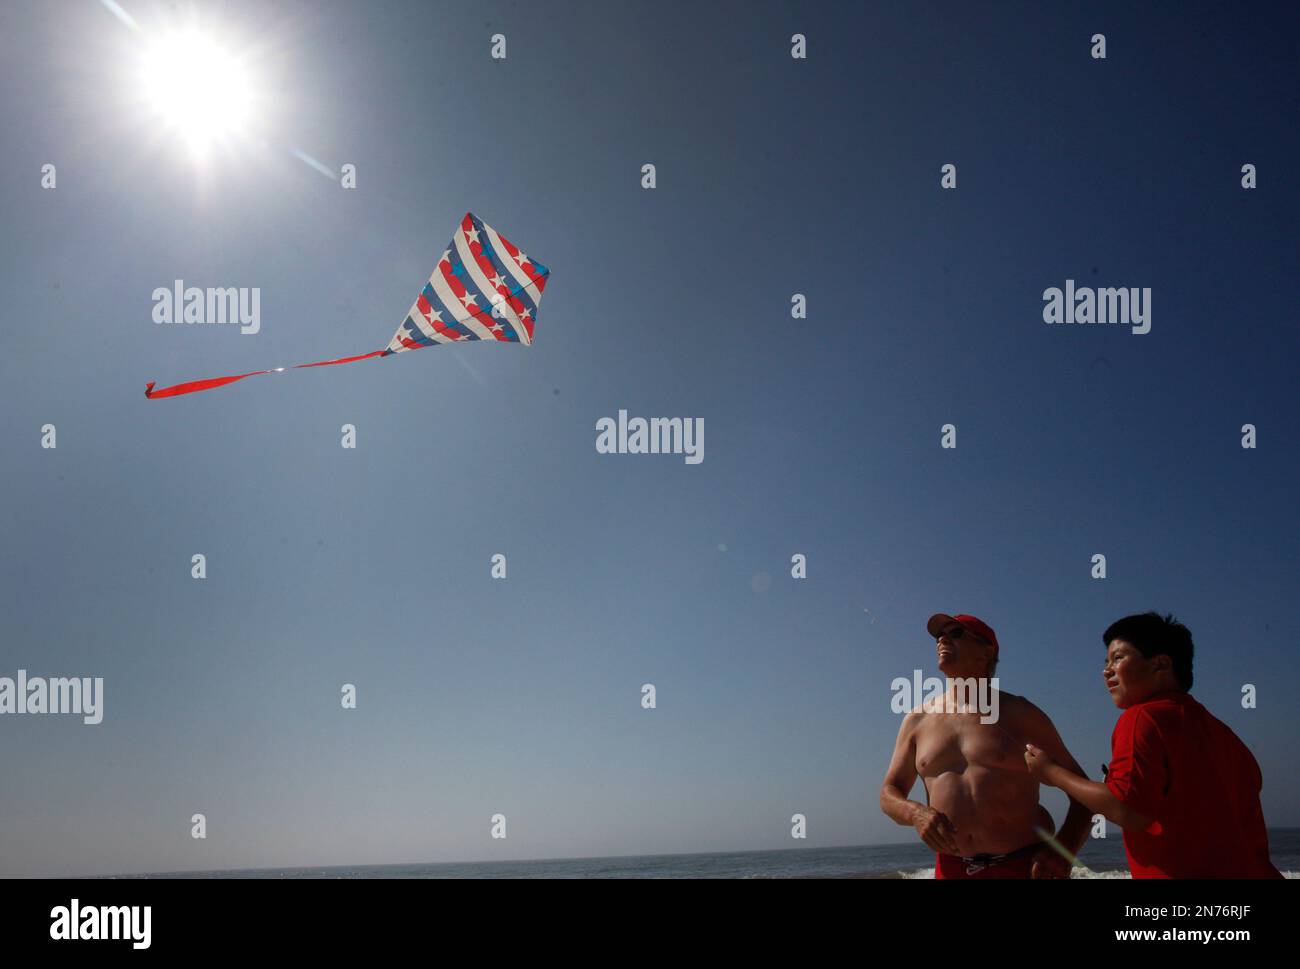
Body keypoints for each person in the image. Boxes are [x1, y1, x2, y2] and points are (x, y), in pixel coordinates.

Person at [1024, 612, 1282, 878]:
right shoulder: (1226, 736)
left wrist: (1051, 772)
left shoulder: (1142, 718)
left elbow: (1130, 810)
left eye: (1118, 658)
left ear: (1160, 665)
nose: (1106, 670)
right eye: (1105, 661)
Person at [881, 613, 1092, 878]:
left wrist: (1064, 851)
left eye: (955, 633)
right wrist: (914, 813)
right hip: (951, 868)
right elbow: (889, 792)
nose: (942, 639)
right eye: (939, 636)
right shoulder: (916, 721)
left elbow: (1083, 795)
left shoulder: (1020, 714)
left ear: (986, 651)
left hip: (1023, 866)